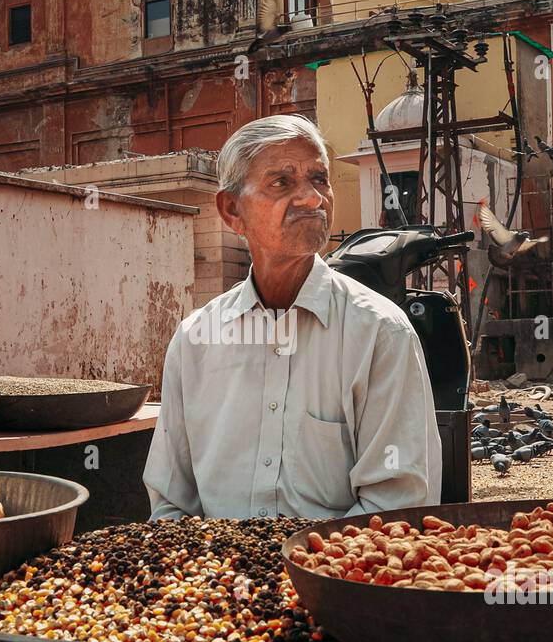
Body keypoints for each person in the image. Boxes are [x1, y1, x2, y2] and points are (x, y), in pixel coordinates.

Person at [144, 114, 441, 520]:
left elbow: (396, 506)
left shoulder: (379, 333)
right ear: (232, 210)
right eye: (282, 182)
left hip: (333, 577)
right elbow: (172, 502)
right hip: (214, 576)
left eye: (320, 179)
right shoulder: (196, 339)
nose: (312, 198)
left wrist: (297, 569)